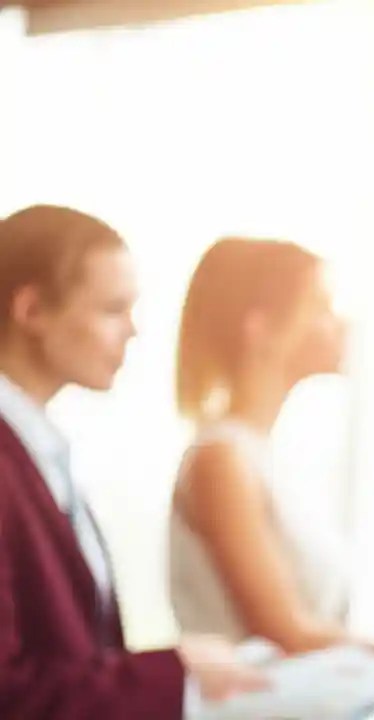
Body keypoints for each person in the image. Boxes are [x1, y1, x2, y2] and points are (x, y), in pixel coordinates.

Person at [0, 205, 266, 719]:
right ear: (31, 311)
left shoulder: (40, 450)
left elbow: (70, 653)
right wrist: (176, 672)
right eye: (112, 309)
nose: (134, 331)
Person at [167, 237, 374, 681]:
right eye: (321, 308)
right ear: (262, 329)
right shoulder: (222, 462)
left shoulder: (263, 459)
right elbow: (288, 636)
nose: (341, 325)